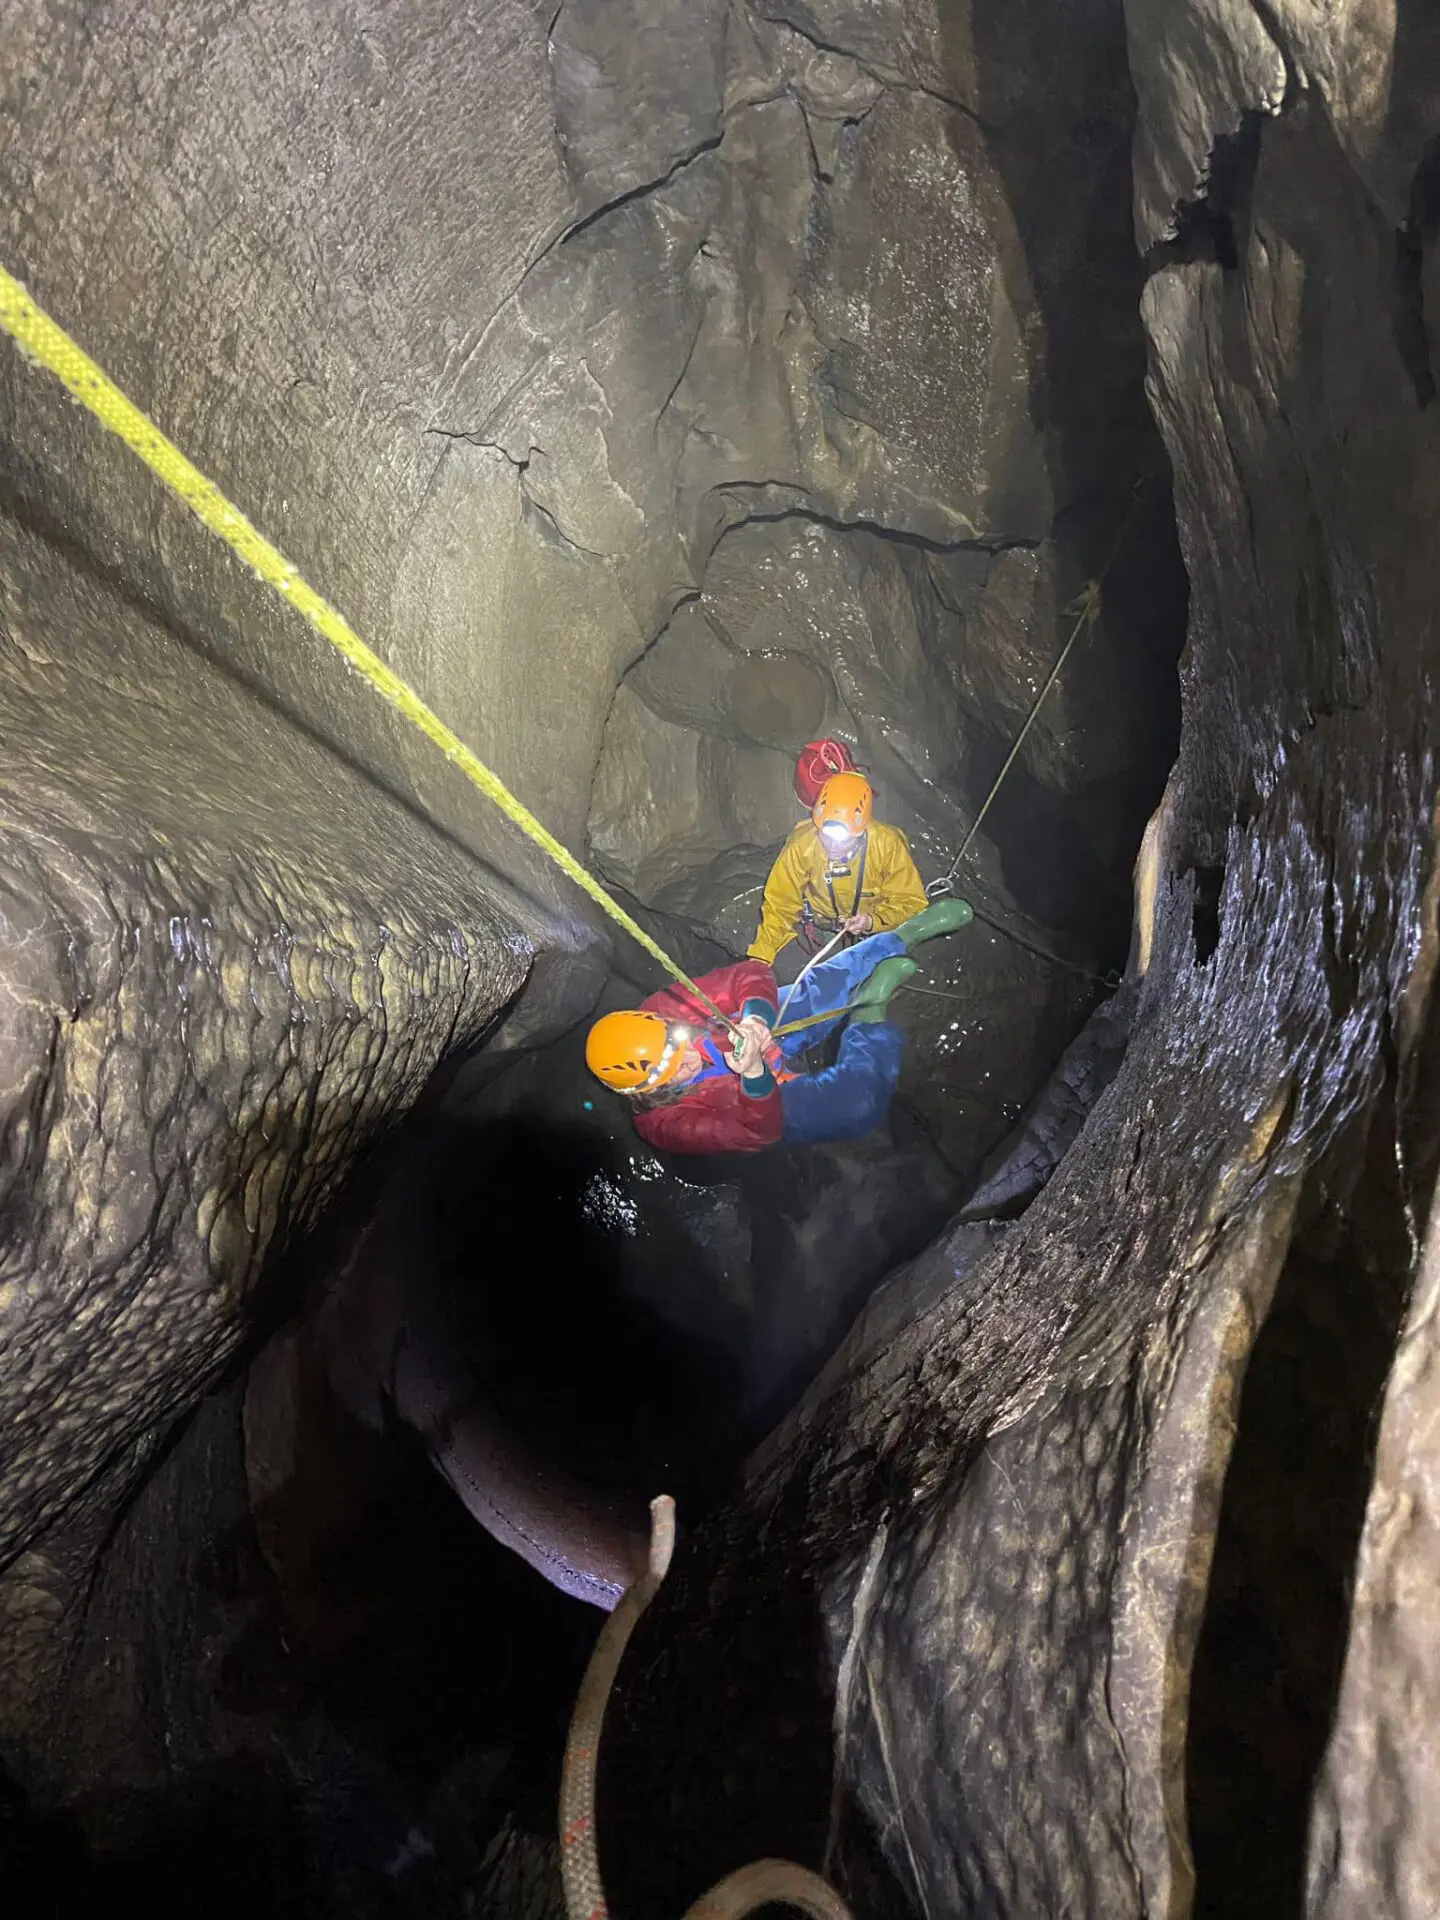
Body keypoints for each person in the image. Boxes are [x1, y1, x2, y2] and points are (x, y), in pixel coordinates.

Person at [584, 897, 972, 1154]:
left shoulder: (665, 1008)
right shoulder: (666, 1127)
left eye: (680, 1041)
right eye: (675, 1070)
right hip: (760, 1103)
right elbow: (758, 1133)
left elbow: (748, 974)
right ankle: (869, 1014)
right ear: (649, 1090)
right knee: (859, 1107)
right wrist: (754, 1074)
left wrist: (755, 1016)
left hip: (746, 1031)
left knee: (821, 987)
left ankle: (904, 934)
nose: (689, 1056)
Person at [747, 771, 929, 971]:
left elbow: (911, 902)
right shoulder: (802, 845)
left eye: (842, 839)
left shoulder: (887, 845)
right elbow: (780, 904)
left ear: (860, 831)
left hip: (876, 929)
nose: (832, 845)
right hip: (822, 930)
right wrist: (762, 956)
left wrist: (872, 921)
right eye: (826, 835)